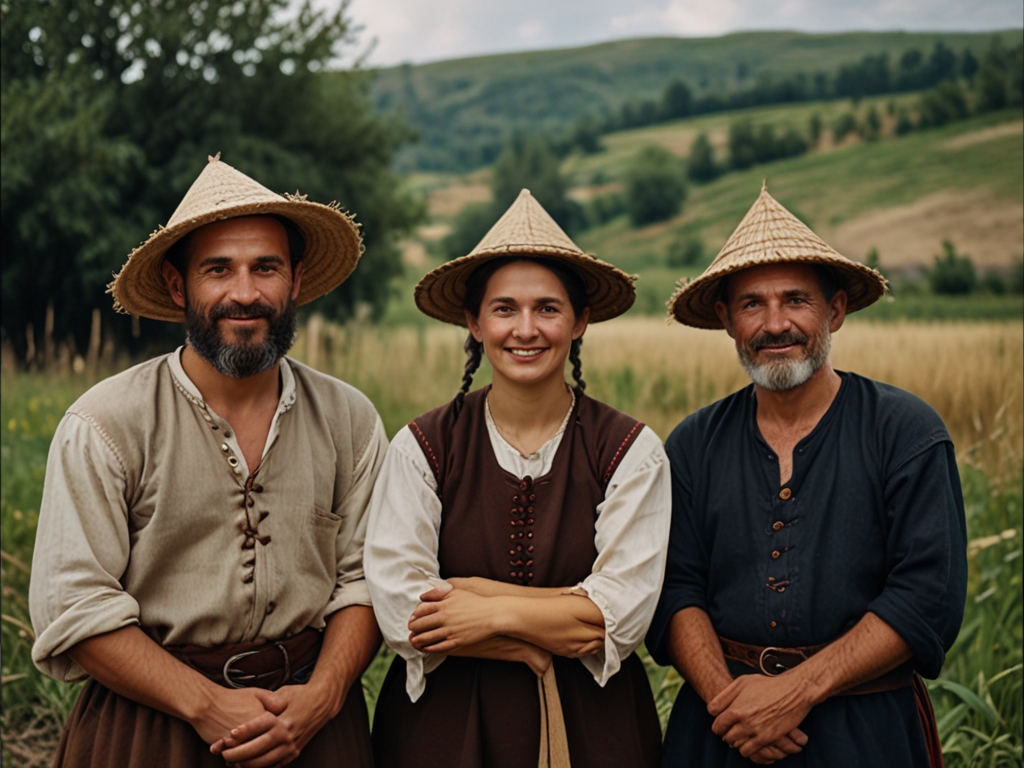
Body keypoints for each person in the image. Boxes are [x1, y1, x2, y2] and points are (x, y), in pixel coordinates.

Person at [29, 155, 387, 768]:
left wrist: (323, 698)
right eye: (217, 269)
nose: (244, 293)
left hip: (314, 730)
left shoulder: (350, 419)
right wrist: (204, 704)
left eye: (265, 268)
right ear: (179, 287)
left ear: (295, 281)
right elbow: (74, 606)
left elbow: (366, 578)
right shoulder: (105, 423)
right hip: (150, 731)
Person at [647, 183, 968, 768]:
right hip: (721, 732)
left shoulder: (905, 432)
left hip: (864, 733)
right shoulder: (693, 443)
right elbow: (674, 589)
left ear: (836, 310)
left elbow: (927, 597)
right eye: (751, 304)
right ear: (725, 319)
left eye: (796, 300)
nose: (775, 324)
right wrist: (734, 708)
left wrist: (796, 691)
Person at [364, 189, 671, 768]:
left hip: (595, 731)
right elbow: (405, 616)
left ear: (580, 322)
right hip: (445, 734)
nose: (525, 329)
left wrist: (484, 606)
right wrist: (557, 616)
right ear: (474, 323)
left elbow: (617, 621)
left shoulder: (633, 451)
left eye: (548, 309)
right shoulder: (421, 448)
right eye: (504, 308)